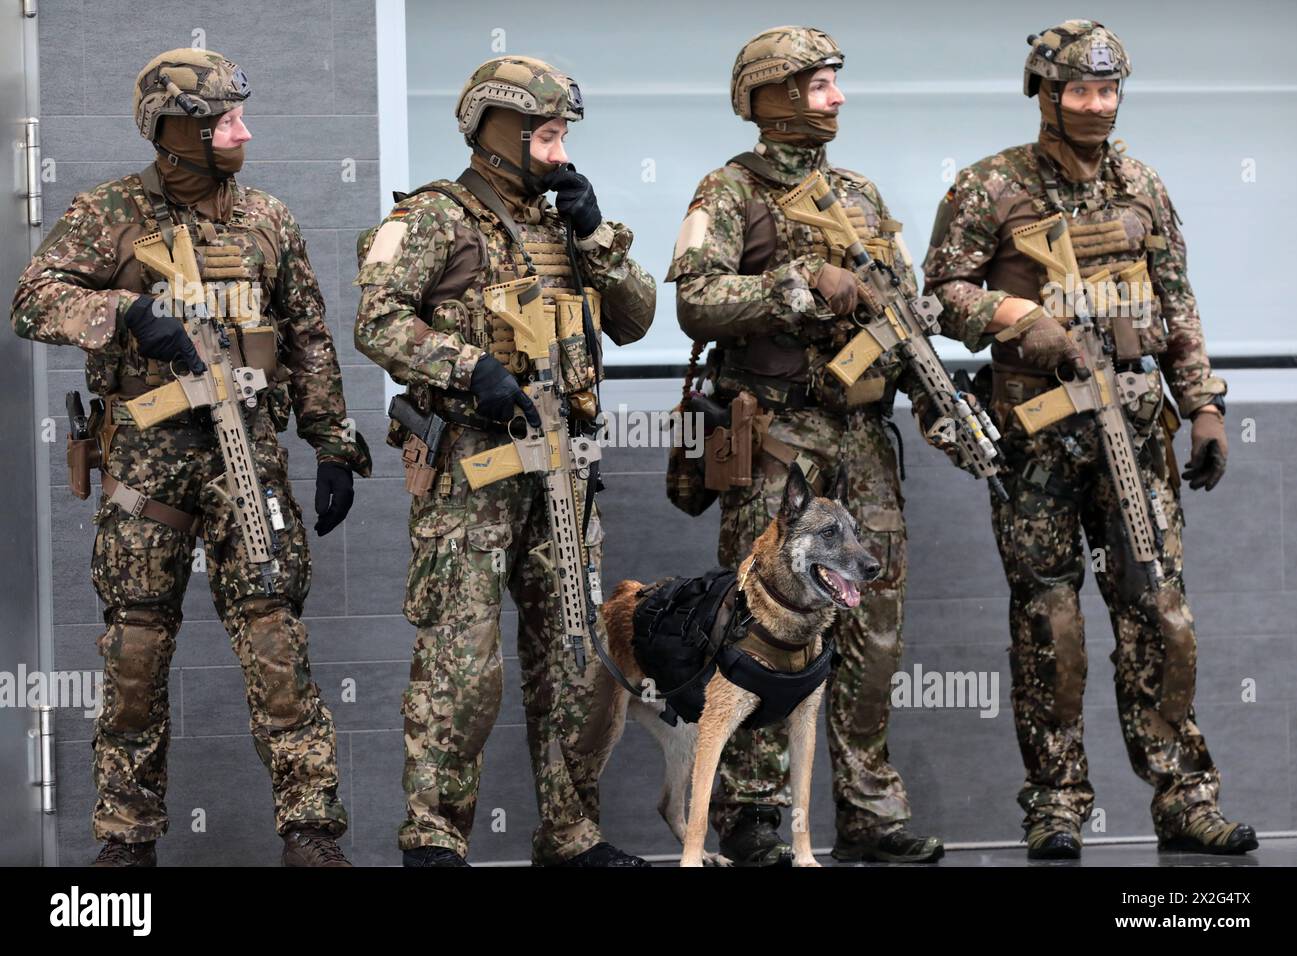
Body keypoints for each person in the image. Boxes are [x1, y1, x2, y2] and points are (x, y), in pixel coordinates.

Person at [10, 48, 371, 866]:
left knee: (277, 642)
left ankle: (311, 833)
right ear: (178, 132)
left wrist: (333, 445)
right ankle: (126, 843)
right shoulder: (109, 212)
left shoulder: (269, 221)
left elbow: (310, 338)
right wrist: (126, 312)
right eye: (226, 121)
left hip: (250, 461)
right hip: (147, 467)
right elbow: (34, 300)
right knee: (136, 652)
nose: (244, 133)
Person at [923, 19, 1255, 858]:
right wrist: (1022, 320)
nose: (1097, 106)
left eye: (1108, 91)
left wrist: (1205, 403)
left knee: (1162, 617)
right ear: (1044, 93)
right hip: (1037, 441)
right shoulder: (987, 187)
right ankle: (1057, 803)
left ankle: (1184, 795)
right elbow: (939, 296)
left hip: (1137, 436)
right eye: (1080, 90)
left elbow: (1178, 302)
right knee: (1051, 625)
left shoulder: (1141, 182)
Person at [353, 55, 656, 867]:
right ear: (499, 132)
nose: (560, 151)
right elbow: (376, 321)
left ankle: (571, 833)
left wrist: (595, 233)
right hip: (474, 479)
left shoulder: (567, 223)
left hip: (566, 476)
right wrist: (466, 367)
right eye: (548, 134)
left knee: (576, 659)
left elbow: (634, 320)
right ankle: (435, 838)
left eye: (563, 135)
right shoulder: (430, 219)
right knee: (464, 664)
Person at [664, 25, 945, 865]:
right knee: (762, 626)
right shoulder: (729, 190)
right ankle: (750, 813)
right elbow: (695, 302)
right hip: (778, 441)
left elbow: (901, 299)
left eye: (834, 82)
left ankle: (867, 807)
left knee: (875, 624)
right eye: (821, 83)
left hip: (862, 439)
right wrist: (798, 282)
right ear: (775, 93)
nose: (837, 97)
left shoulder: (856, 193)